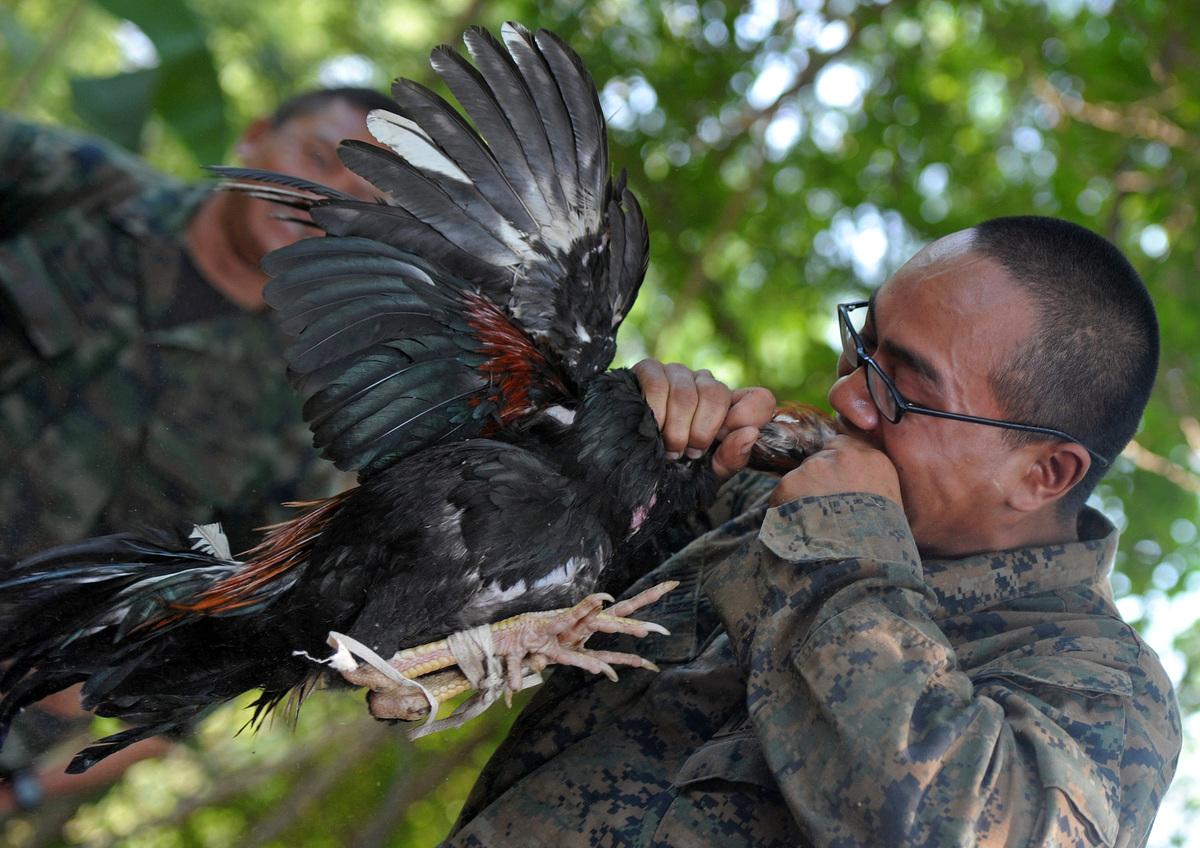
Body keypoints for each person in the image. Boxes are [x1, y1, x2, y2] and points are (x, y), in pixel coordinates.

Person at [438, 216, 1181, 847]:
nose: (844, 396)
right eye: (864, 346)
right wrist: (630, 455)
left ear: (1043, 473)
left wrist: (843, 555)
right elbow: (478, 593)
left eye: (901, 388)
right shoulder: (756, 504)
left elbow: (964, 824)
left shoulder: (1105, 686)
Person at [0, 87, 395, 816]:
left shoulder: (302, 424)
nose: (315, 199)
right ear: (252, 138)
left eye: (356, 206)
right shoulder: (70, 185)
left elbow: (218, 658)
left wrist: (26, 785)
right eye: (313, 159)